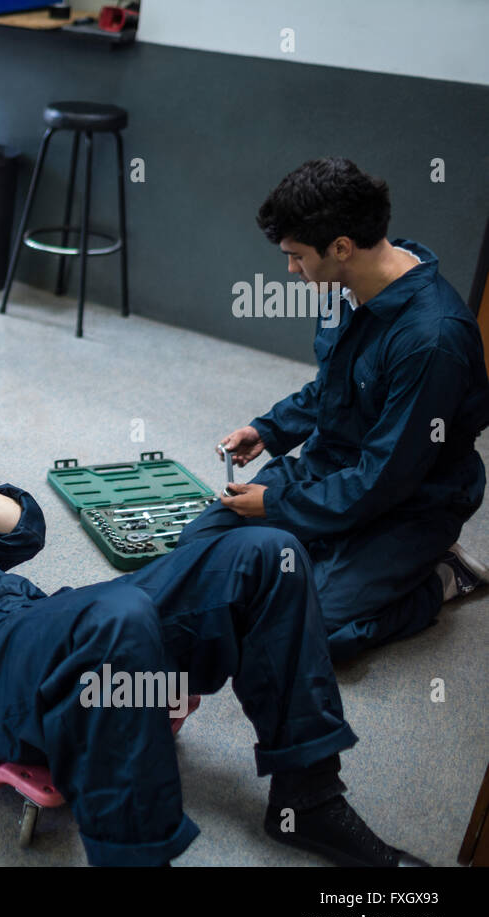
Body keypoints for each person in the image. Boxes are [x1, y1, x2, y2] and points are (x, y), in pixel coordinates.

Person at [0, 458, 427, 867]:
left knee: (266, 553)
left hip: (52, 622)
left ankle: (308, 795)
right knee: (116, 620)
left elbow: (25, 527)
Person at [190, 157, 489, 661]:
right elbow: (332, 387)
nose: (290, 269)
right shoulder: (343, 286)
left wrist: (277, 505)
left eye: (296, 256)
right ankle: (327, 556)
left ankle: (440, 577)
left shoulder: (432, 340)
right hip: (331, 468)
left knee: (312, 634)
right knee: (200, 548)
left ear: (342, 247)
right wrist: (269, 429)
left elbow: (386, 479)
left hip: (409, 502)